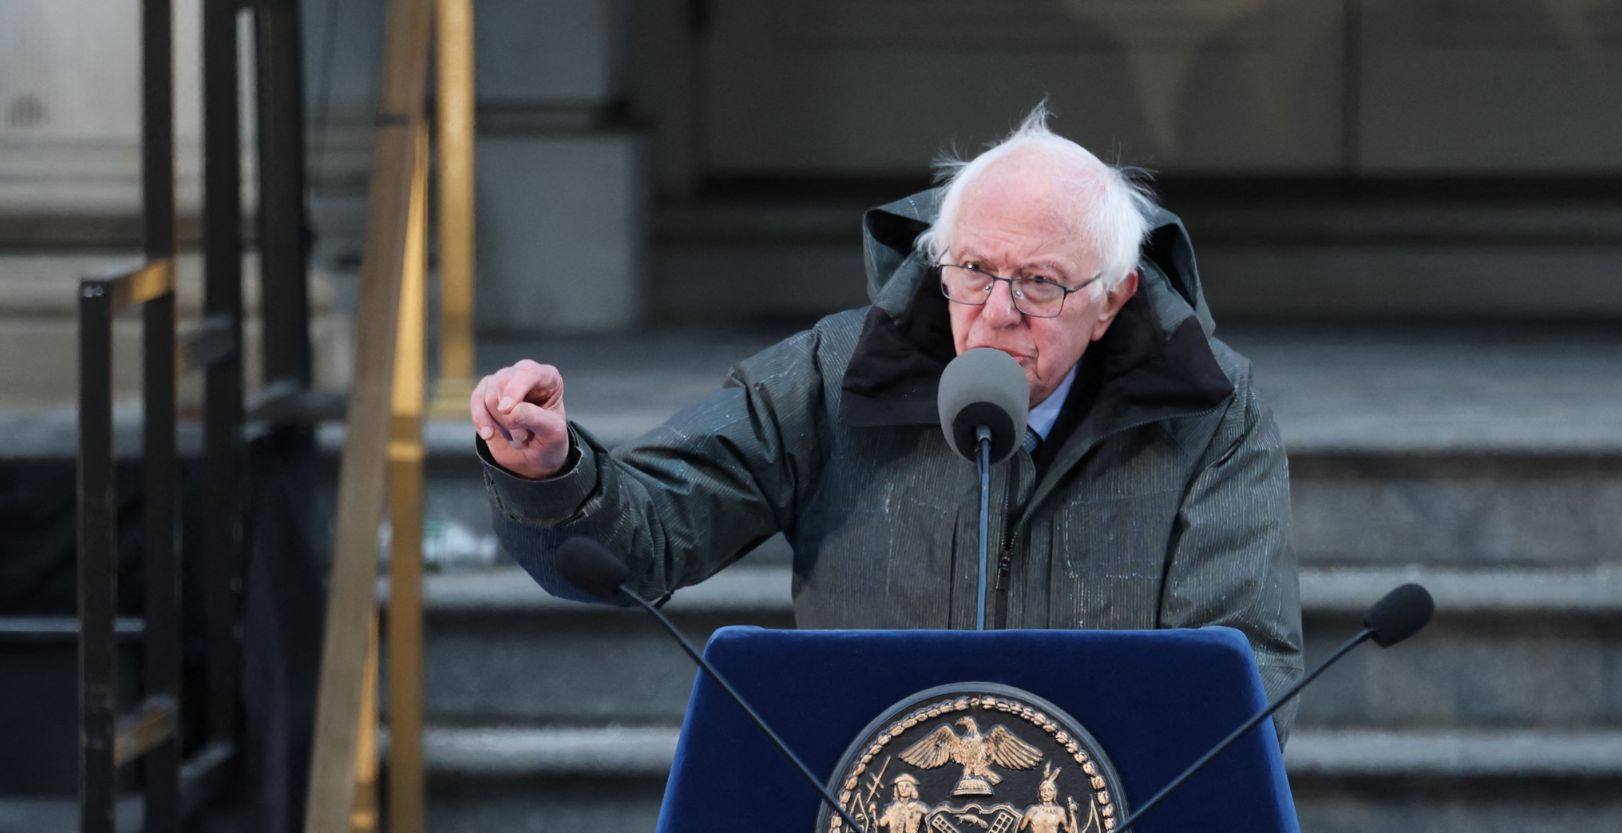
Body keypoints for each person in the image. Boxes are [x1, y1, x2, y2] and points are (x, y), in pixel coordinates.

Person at [469, 107, 1305, 738]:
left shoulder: (1212, 413)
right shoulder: (837, 375)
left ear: (1112, 299)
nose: (998, 312)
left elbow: (1240, 683)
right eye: (973, 271)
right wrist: (551, 475)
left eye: (1041, 284)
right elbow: (646, 537)